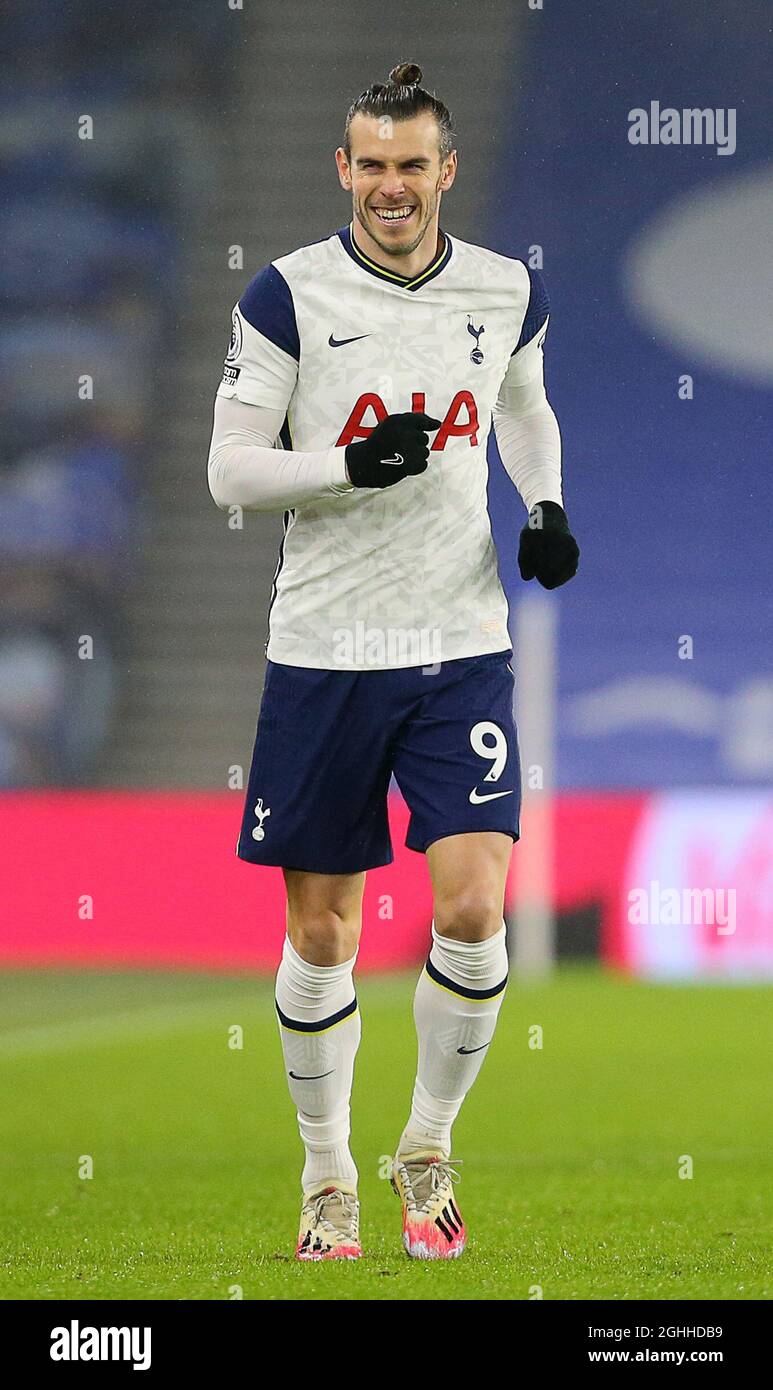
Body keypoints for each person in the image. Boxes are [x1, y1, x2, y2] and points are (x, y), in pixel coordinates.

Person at [207, 61, 579, 1262]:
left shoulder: (501, 288)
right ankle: (326, 1177)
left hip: (457, 642)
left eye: (411, 164)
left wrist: (545, 504)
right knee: (323, 937)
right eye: (369, 163)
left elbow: (521, 404)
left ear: (446, 170)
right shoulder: (287, 297)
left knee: (472, 909)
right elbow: (229, 470)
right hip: (321, 652)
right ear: (342, 169)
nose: (390, 186)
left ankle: (423, 1149)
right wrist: (343, 467)